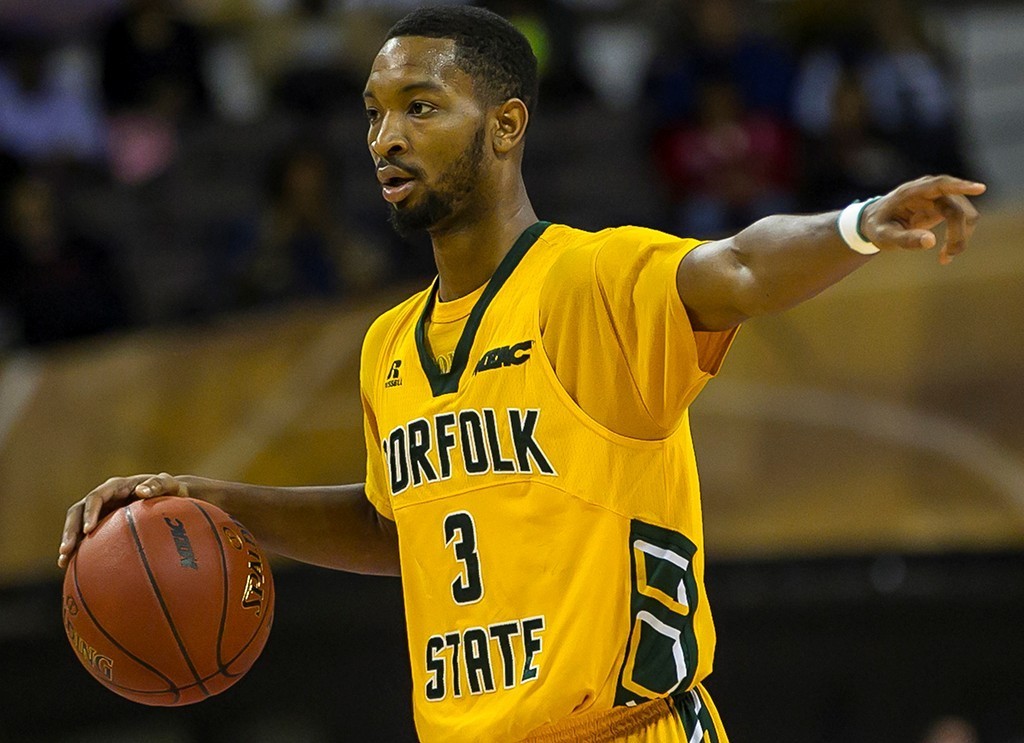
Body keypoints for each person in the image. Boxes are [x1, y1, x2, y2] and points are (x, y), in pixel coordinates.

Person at [58, 6, 985, 742]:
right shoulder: (389, 345)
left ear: (505, 126)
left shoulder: (587, 279)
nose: (386, 137)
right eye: (374, 112)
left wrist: (855, 225)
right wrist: (209, 502)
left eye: (421, 107)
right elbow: (399, 528)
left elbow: (739, 265)